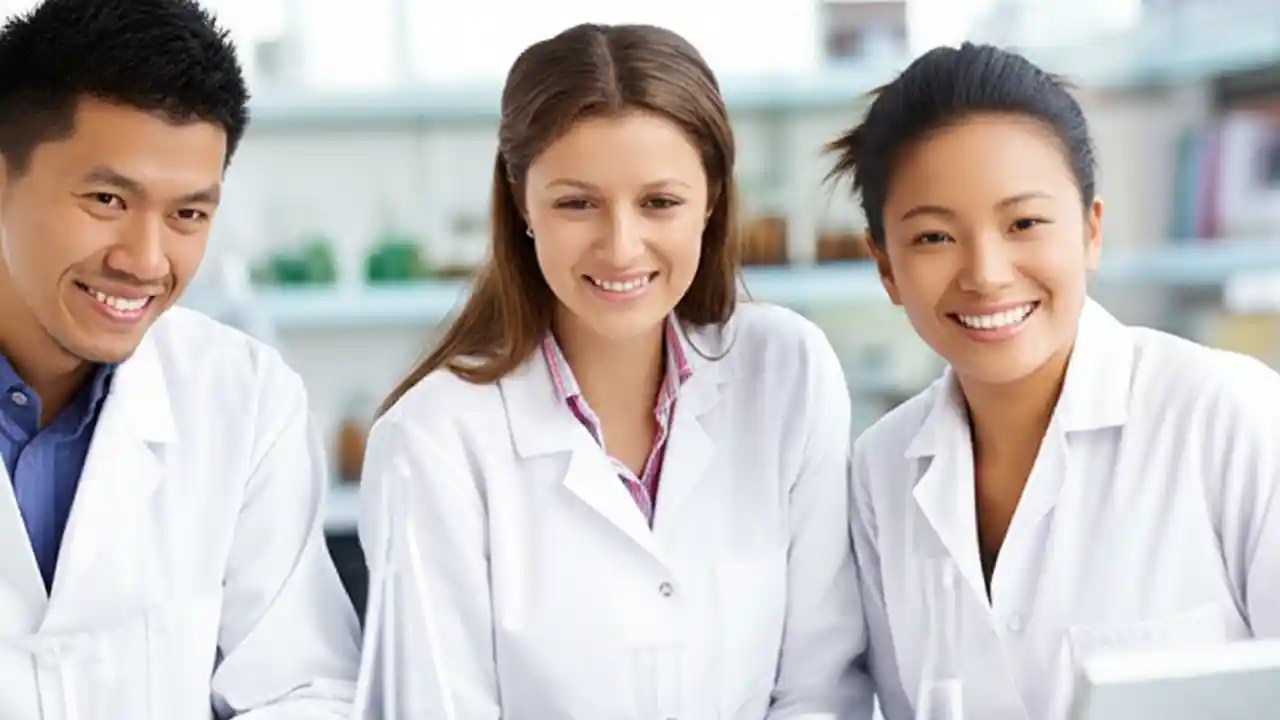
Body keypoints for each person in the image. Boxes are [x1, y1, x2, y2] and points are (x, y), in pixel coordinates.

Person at [356, 22, 872, 720]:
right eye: (578, 203)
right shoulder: (432, 440)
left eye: (660, 202)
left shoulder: (788, 372)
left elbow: (821, 689)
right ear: (520, 200)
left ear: (713, 197)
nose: (622, 246)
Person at [827, 42, 1280, 720]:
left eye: (1025, 224)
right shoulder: (880, 472)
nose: (986, 272)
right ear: (885, 267)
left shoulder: (1226, 417)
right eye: (933, 238)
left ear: (1091, 232)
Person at [0, 0, 360, 717]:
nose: (146, 260)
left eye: (188, 215)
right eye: (106, 199)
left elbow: (302, 688)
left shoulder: (243, 397)